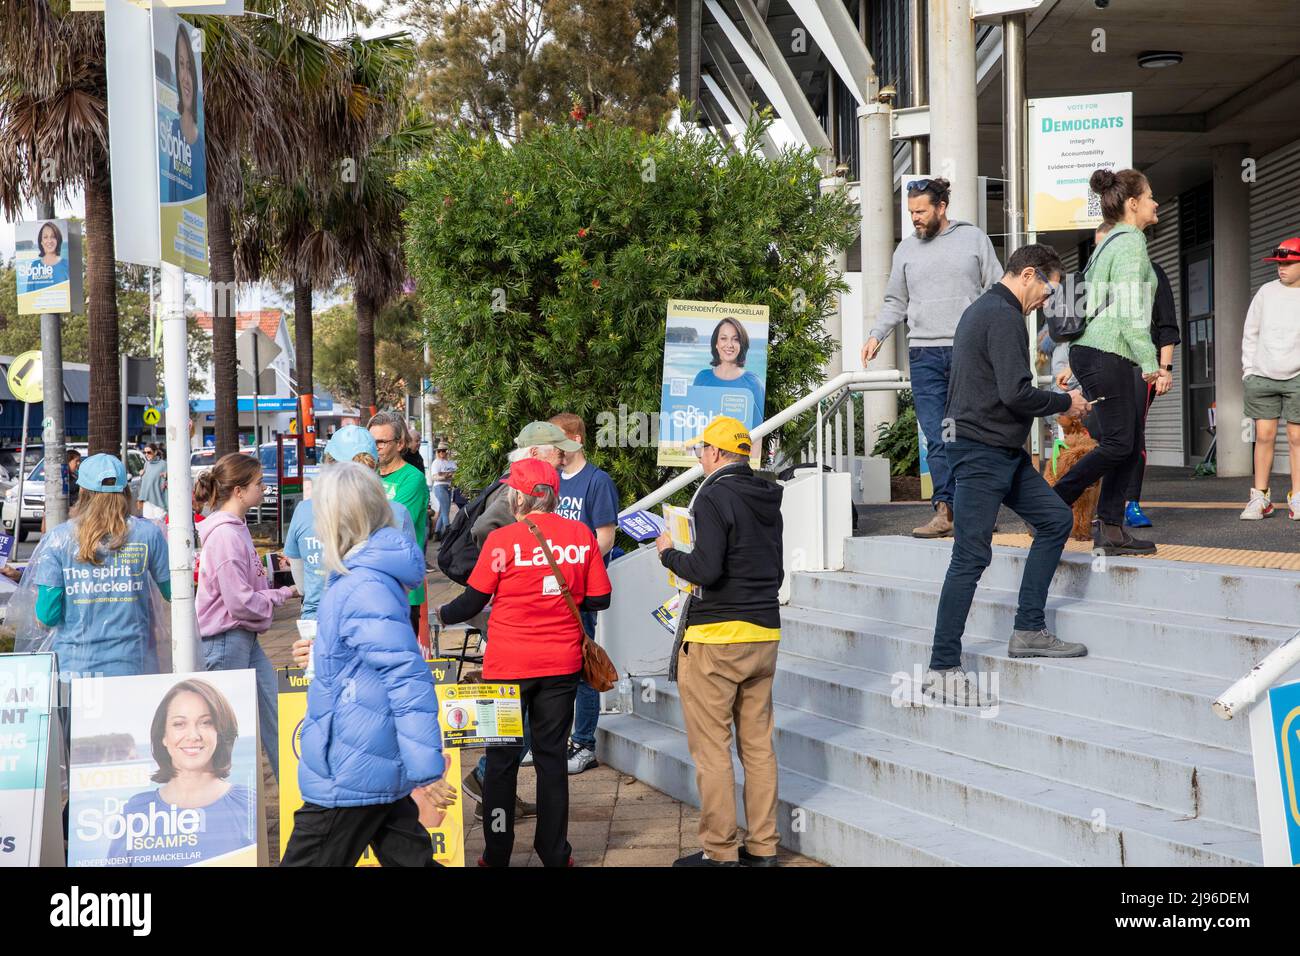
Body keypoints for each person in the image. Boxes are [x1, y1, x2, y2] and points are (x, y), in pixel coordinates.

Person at [927, 245, 1091, 706]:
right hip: (981, 453)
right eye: (1048, 290)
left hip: (998, 449)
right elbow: (1015, 394)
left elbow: (1005, 388)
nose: (1047, 300)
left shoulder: (987, 310)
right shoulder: (1000, 315)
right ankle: (942, 666)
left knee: (1056, 520)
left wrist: (1047, 391)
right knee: (970, 556)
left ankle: (1028, 630)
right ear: (1029, 274)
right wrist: (1065, 403)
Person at [436, 458, 611, 867]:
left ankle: (496, 855)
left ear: (519, 495)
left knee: (500, 763)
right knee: (552, 761)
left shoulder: (502, 542)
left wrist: (440, 617)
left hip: (506, 668)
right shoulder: (581, 536)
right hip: (561, 665)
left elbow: (472, 602)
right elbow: (601, 598)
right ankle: (554, 853)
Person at [281, 463, 456, 867]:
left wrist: (427, 768)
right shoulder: (365, 576)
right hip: (367, 753)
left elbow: (407, 679)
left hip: (351, 762)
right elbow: (375, 662)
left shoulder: (361, 582)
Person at [653, 416, 782, 867]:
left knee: (712, 750)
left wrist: (668, 552)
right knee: (758, 745)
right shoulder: (767, 495)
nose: (698, 459)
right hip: (764, 633)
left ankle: (720, 852)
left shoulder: (712, 494)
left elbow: (706, 570)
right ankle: (764, 848)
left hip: (715, 638)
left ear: (714, 453)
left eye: (699, 451)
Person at [861, 177, 1003, 539]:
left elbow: (997, 290)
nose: (915, 219)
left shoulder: (973, 239)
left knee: (971, 433)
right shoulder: (905, 250)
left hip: (967, 351)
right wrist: (877, 335)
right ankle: (946, 510)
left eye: (921, 211)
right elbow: (896, 300)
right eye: (911, 213)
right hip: (924, 353)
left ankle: (976, 510)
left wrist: (995, 341)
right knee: (937, 435)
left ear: (941, 207)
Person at [1051, 169, 1161, 555]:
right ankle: (1052, 503)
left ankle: (1111, 529)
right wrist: (1152, 362)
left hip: (1101, 351)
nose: (1155, 202)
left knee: (1127, 444)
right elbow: (1132, 311)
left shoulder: (1110, 241)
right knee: (1117, 443)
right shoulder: (1130, 242)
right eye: (1149, 196)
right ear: (1133, 204)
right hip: (1106, 352)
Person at [195, 452, 299, 778]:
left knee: (274, 710)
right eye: (258, 483)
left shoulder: (234, 529)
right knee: (229, 727)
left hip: (240, 637)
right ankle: (228, 798)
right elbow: (239, 601)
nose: (264, 489)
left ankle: (293, 788)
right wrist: (281, 594)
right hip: (227, 639)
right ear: (239, 491)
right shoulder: (226, 535)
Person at [30, 453, 170, 676]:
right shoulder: (148, 534)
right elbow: (173, 592)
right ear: (125, 491)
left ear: (83, 492)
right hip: (133, 664)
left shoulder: (58, 538)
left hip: (74, 669)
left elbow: (47, 616)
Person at [285, 426, 417, 636]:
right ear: (373, 466)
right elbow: (409, 579)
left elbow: (301, 582)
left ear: (328, 463)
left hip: (318, 623)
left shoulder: (304, 511)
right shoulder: (397, 514)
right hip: (378, 622)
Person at [107, 678, 256, 865]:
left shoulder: (248, 805)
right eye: (179, 724)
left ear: (220, 731)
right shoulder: (136, 812)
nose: (193, 735)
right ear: (163, 736)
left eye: (206, 722)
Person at [549, 413, 620, 775]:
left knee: (583, 667)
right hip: (549, 590)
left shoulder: (597, 481)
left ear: (577, 439)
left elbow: (605, 536)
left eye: (558, 438)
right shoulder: (551, 481)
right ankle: (550, 741)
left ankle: (584, 743)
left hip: (579, 591)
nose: (554, 448)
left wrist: (576, 568)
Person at [1239, 236, 1300, 520]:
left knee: (1297, 437)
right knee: (1263, 436)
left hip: (1297, 378)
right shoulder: (1265, 292)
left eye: (1288, 263)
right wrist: (1248, 371)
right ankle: (1260, 498)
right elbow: (1250, 332)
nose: (1281, 268)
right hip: (1262, 376)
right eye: (1278, 263)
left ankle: (1297, 497)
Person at [369, 411, 430, 635]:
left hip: (402, 589)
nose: (375, 447)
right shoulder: (367, 475)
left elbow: (394, 527)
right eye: (371, 441)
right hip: (369, 587)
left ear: (400, 443)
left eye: (382, 442)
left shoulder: (412, 478)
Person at [471, 421, 578, 548]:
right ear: (534, 453)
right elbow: (483, 528)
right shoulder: (517, 488)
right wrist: (506, 561)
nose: (563, 462)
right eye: (560, 454)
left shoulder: (518, 481)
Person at [691, 317, 766, 429]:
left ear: (742, 344)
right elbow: (692, 425)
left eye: (735, 339)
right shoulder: (702, 378)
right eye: (723, 338)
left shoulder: (753, 383)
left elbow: (757, 433)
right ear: (716, 343)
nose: (729, 344)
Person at [430, 442, 458, 539]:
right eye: (439, 451)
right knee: (446, 511)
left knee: (443, 510)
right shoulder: (436, 462)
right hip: (439, 487)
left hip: (449, 487)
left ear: (447, 452)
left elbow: (457, 475)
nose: (441, 452)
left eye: (444, 450)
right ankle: (447, 532)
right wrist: (447, 475)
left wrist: (445, 475)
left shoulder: (451, 462)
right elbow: (434, 477)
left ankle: (437, 533)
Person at [139, 443, 168, 520]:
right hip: (147, 502)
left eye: (149, 452)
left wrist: (167, 476)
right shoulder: (146, 464)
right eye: (144, 452)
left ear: (155, 452)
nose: (146, 454)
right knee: (148, 527)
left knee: (160, 526)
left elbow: (173, 479)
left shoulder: (163, 464)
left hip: (159, 502)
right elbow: (146, 483)